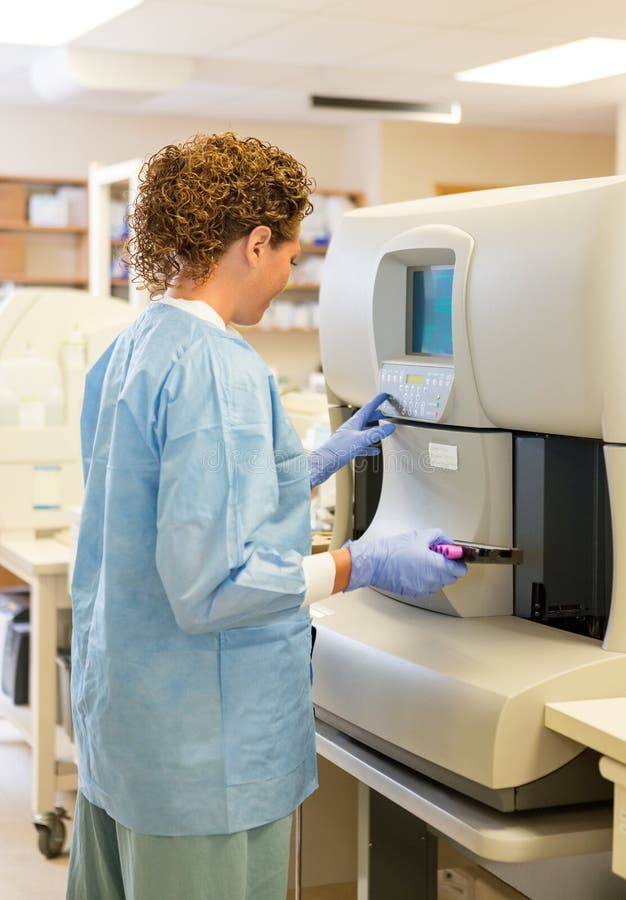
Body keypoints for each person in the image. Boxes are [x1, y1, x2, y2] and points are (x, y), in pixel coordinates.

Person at [66, 132, 466, 900]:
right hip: (202, 755)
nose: (287, 274)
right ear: (255, 244)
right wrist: (360, 564)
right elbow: (213, 586)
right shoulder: (217, 367)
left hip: (129, 725)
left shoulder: (134, 347)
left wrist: (315, 461)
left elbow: (163, 501)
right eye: (289, 253)